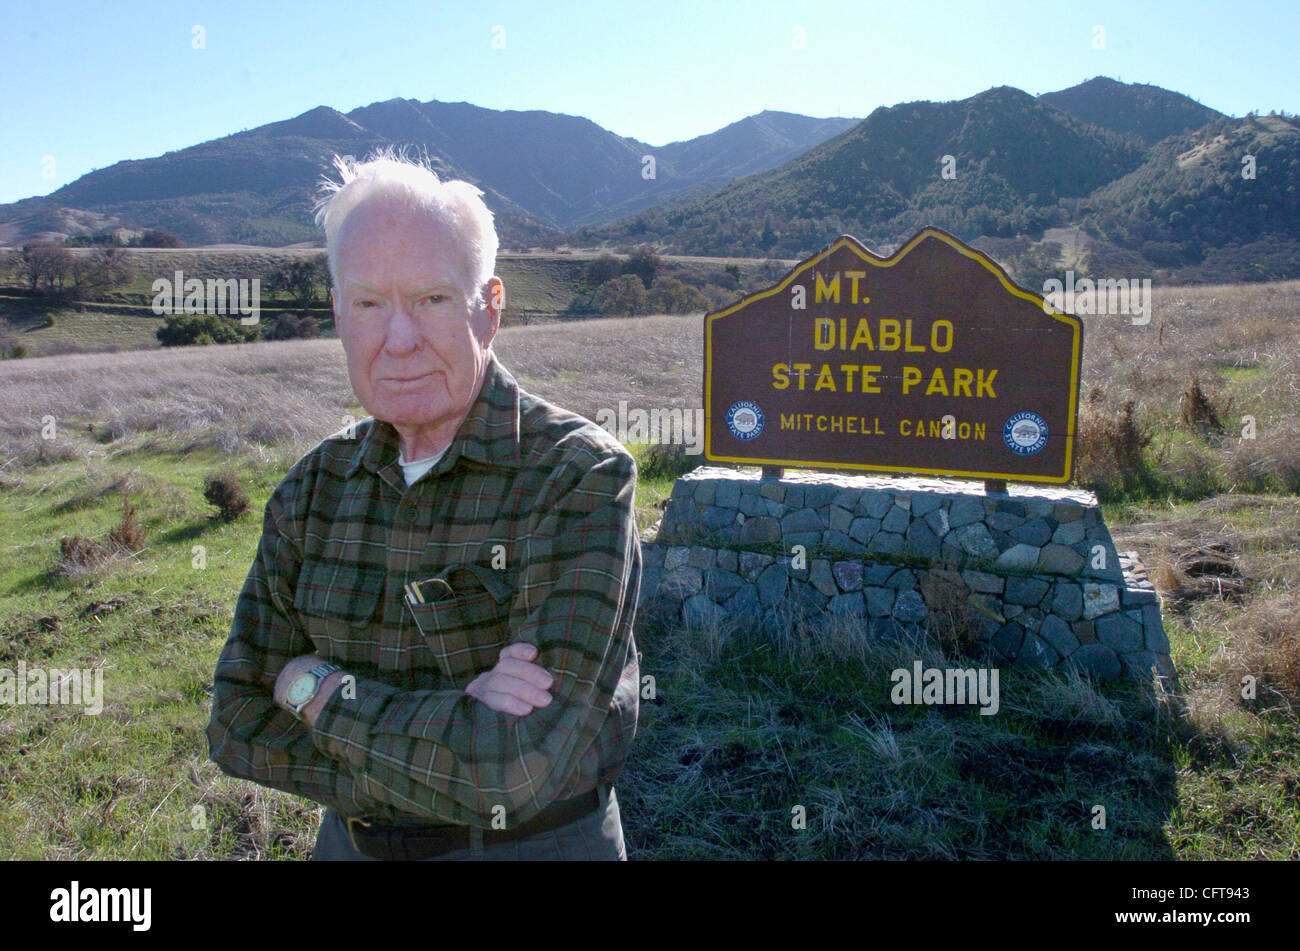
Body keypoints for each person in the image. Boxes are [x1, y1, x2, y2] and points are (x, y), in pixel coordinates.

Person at [206, 150, 641, 860]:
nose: (398, 339)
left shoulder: (577, 477)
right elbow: (234, 721)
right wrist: (453, 724)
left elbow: (513, 769)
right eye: (371, 303)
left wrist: (313, 687)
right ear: (341, 314)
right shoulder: (311, 491)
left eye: (433, 299)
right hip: (349, 847)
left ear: (489, 309)